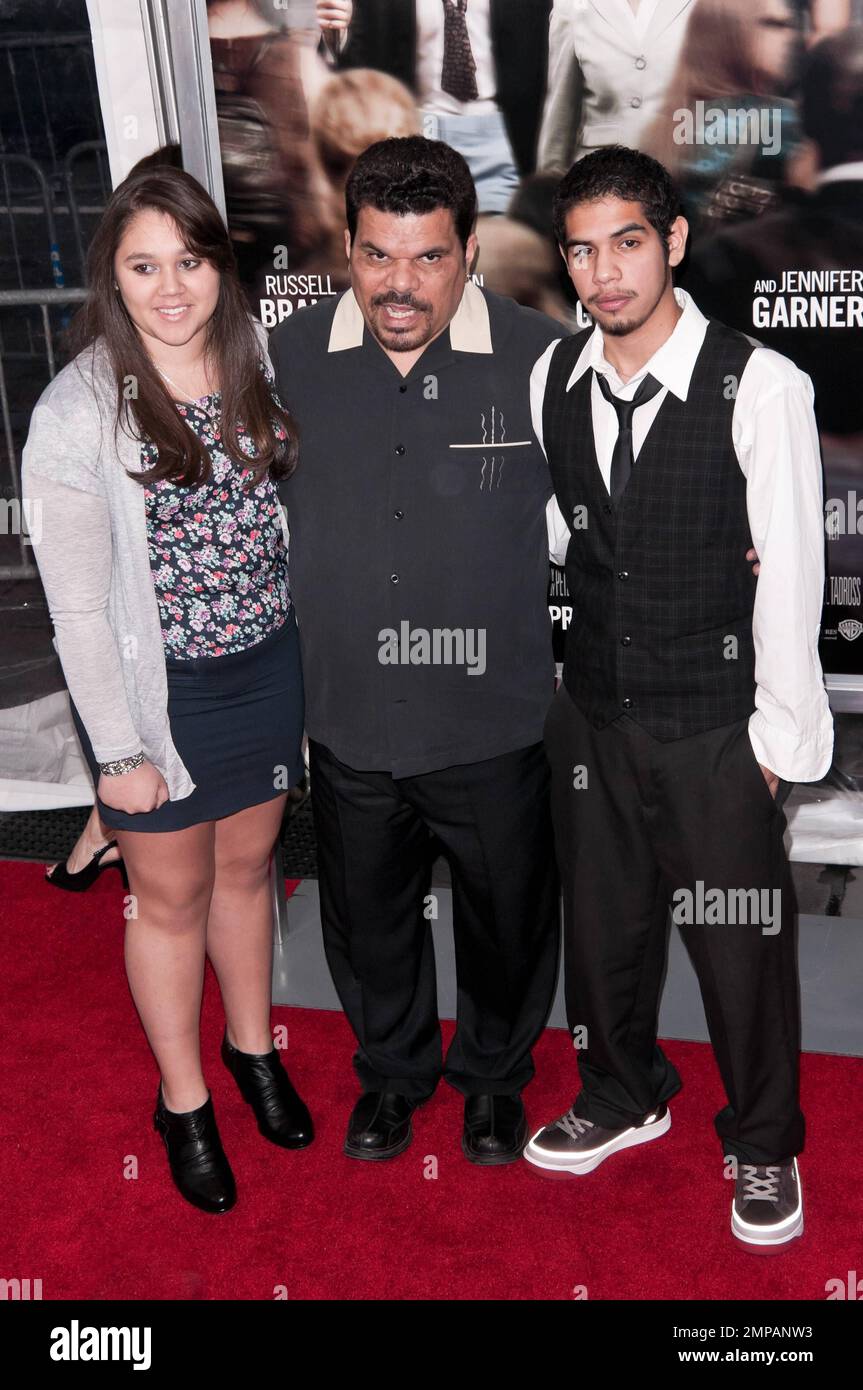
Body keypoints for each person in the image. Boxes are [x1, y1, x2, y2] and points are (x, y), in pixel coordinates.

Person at [524, 145, 832, 1249]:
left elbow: (793, 572)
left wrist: (772, 743)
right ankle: (620, 1092)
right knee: (601, 930)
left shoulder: (761, 383)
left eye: (625, 242)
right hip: (591, 712)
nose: (603, 272)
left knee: (737, 949)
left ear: (673, 244)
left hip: (713, 726)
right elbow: (568, 530)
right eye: (580, 248)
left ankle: (762, 1142)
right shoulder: (553, 374)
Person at [22, 164, 313, 1215]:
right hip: (162, 699)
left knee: (248, 875)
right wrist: (116, 754)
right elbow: (82, 612)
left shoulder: (252, 358)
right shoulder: (77, 409)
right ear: (114, 277)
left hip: (265, 670)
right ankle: (182, 1101)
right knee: (170, 898)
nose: (171, 286)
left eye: (188, 260)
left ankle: (251, 1052)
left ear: (217, 265)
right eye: (144, 266)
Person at [269, 136, 563, 1165]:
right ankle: (393, 1075)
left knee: (505, 920)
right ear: (345, 248)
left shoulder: (537, 357)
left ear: (470, 251)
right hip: (348, 714)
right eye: (376, 256)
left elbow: (596, 511)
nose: (399, 285)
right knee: (368, 921)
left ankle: (491, 1076)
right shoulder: (289, 356)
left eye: (427, 257)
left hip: (490, 718)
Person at [337, 0, 552, 211]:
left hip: (499, 138)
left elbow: (544, 61)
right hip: (418, 135)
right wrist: (336, 35)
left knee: (503, 241)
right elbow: (362, 67)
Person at [537, 0, 697, 172]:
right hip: (600, 182)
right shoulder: (572, 6)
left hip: (683, 181)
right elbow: (559, 126)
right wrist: (548, 191)